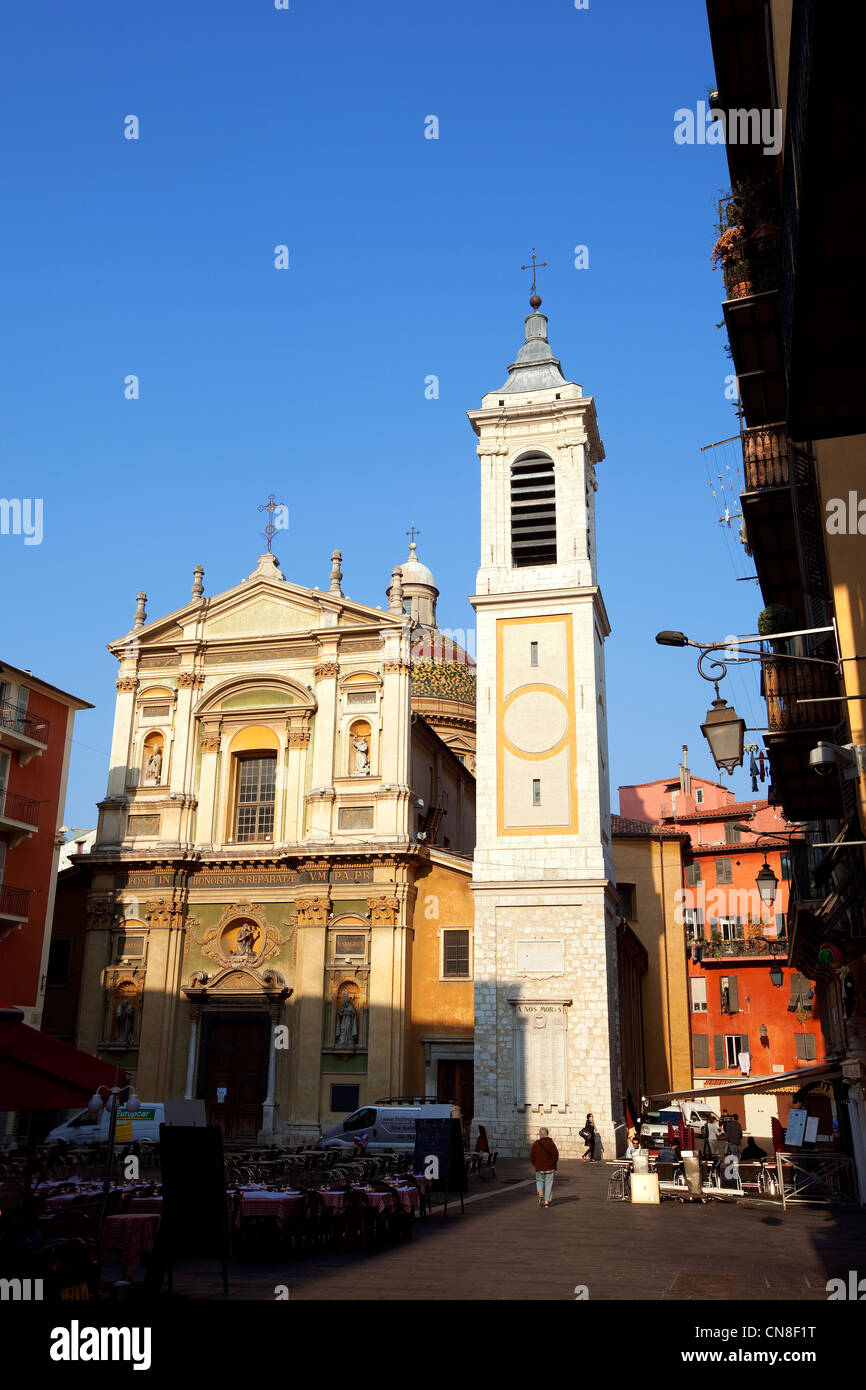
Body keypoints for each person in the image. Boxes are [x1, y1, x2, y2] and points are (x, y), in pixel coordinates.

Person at [529, 1127, 559, 1207]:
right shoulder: (551, 1143)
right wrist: (554, 1162)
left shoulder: (536, 1144)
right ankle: (546, 1201)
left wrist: (535, 1164)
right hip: (549, 1167)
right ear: (547, 1134)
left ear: (540, 1134)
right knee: (548, 1184)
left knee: (539, 1181)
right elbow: (556, 1155)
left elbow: (532, 1156)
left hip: (539, 1167)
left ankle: (541, 1194)